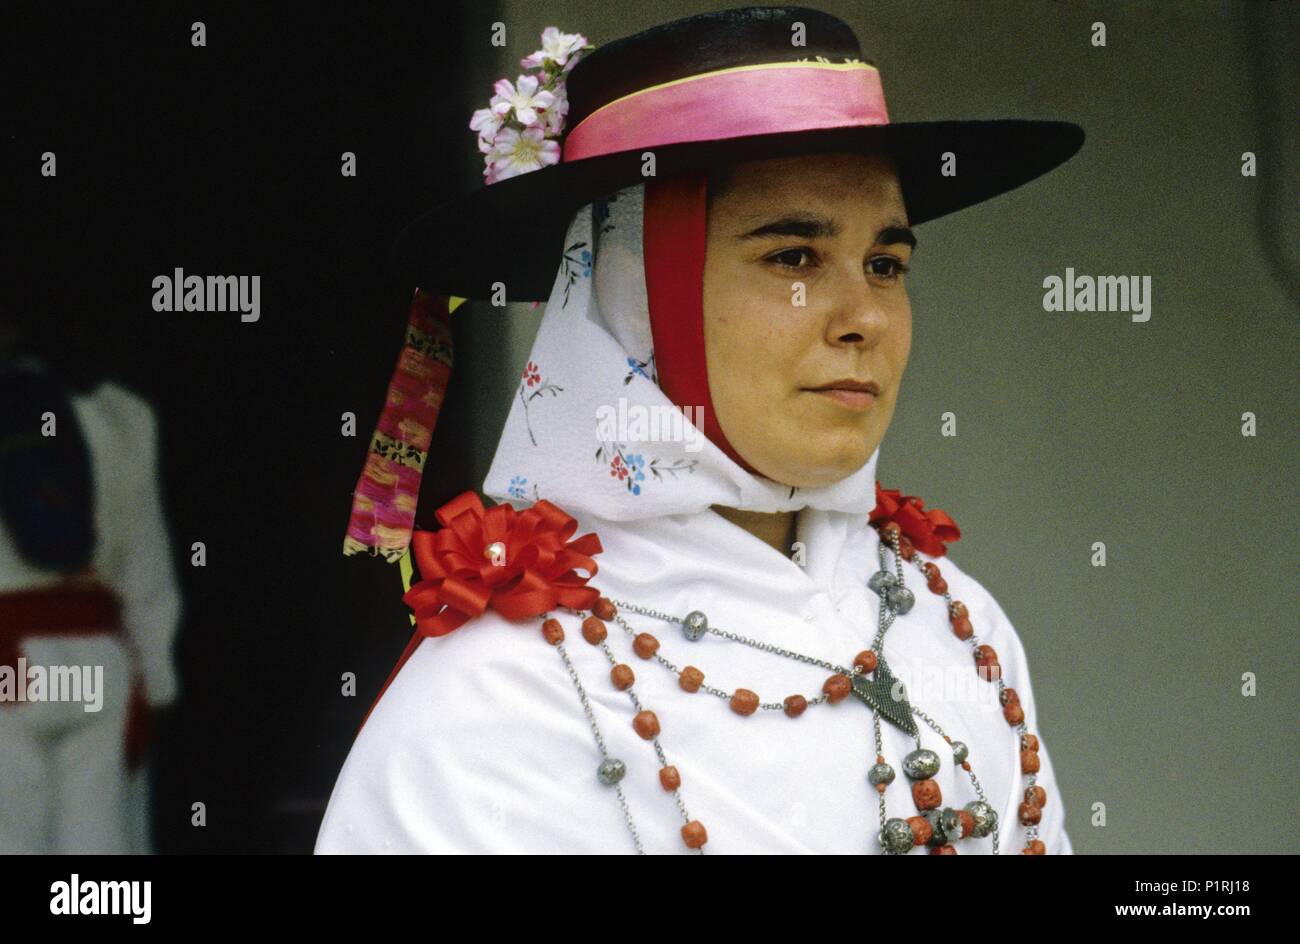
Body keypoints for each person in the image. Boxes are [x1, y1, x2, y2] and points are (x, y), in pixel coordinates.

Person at [317, 6, 1083, 854]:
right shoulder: (494, 711)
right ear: (634, 292)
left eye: (886, 265)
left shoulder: (956, 626)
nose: (862, 316)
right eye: (794, 258)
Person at [0, 326, 181, 853]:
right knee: (98, 862)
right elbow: (148, 572)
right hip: (99, 664)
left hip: (8, 666)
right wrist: (157, 681)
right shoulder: (120, 418)